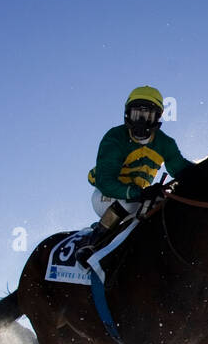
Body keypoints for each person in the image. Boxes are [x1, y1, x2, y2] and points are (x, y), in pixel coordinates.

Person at [73, 85, 192, 278]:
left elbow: (181, 170)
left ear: (158, 118)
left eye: (148, 116)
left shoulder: (165, 143)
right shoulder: (114, 137)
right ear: (127, 115)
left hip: (141, 197)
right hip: (108, 195)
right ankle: (91, 244)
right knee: (131, 203)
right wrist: (138, 193)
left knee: (169, 208)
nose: (142, 122)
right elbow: (105, 182)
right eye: (138, 114)